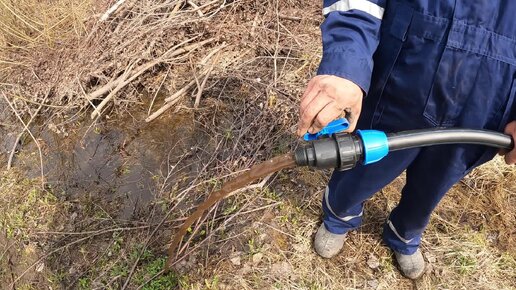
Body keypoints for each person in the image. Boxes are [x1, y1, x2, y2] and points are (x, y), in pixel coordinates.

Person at [297, 0, 516, 280]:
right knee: (362, 166)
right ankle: (339, 215)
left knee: (433, 187)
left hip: (485, 105)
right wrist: (346, 66)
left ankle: (405, 233)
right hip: (401, 78)